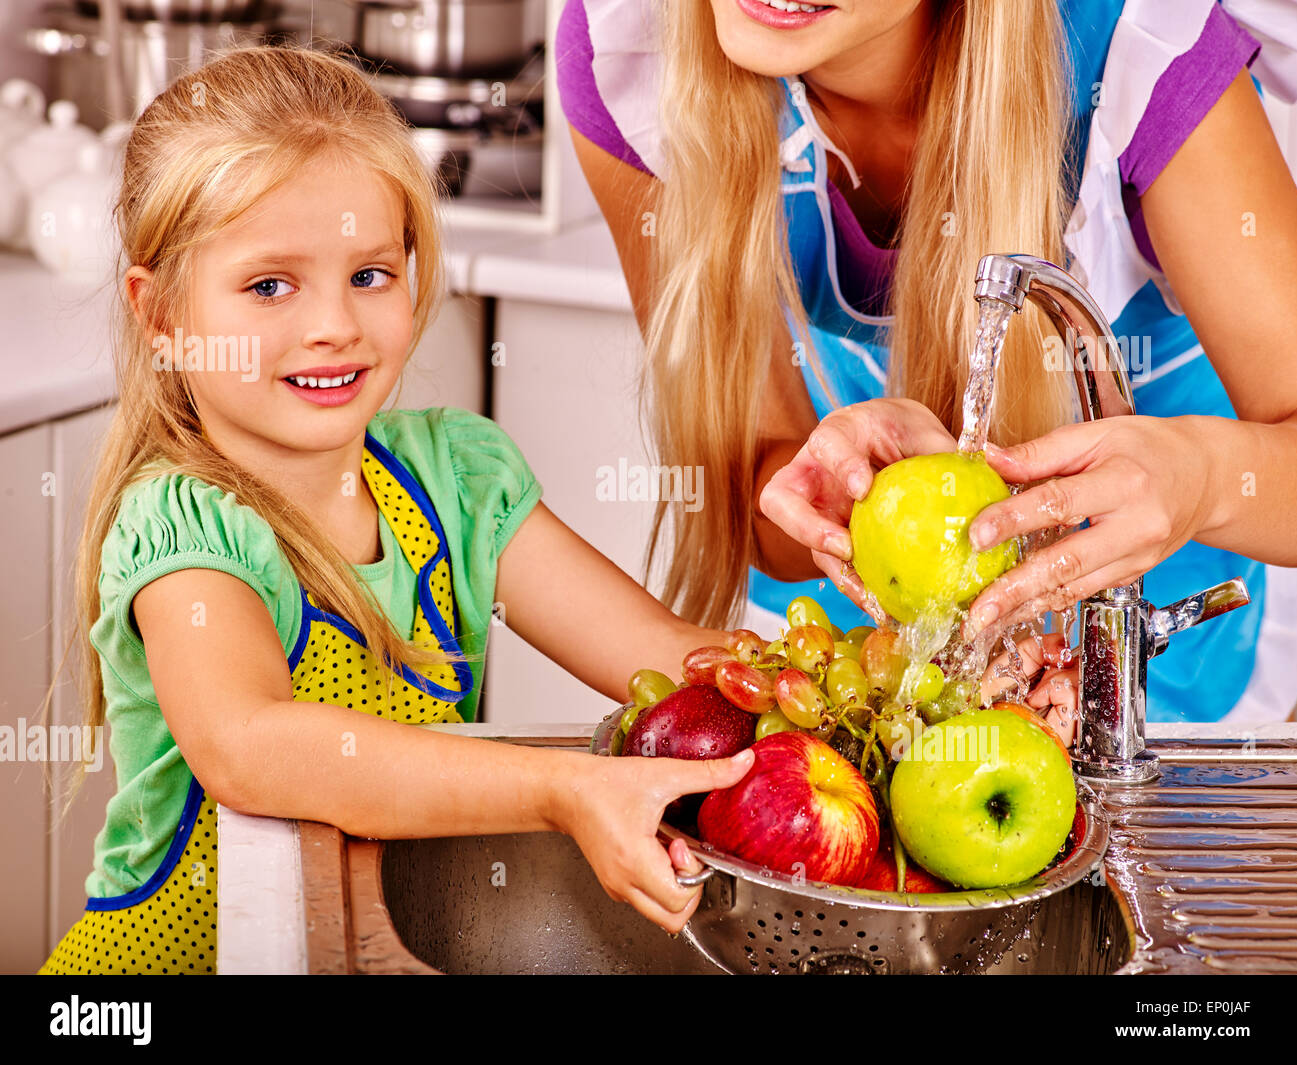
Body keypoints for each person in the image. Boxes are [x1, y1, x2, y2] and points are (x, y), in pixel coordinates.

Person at [38, 45, 764, 975]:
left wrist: (875, 688)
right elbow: (252, 747)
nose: (333, 324)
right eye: (270, 286)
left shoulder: (458, 479)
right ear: (161, 313)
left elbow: (666, 659)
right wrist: (562, 788)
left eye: (370, 274)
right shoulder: (183, 528)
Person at [558, 0, 1297, 724]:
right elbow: (765, 491)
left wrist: (1199, 478)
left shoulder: (1137, 55)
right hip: (863, 654)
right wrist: (846, 494)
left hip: (1165, 676)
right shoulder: (636, 57)